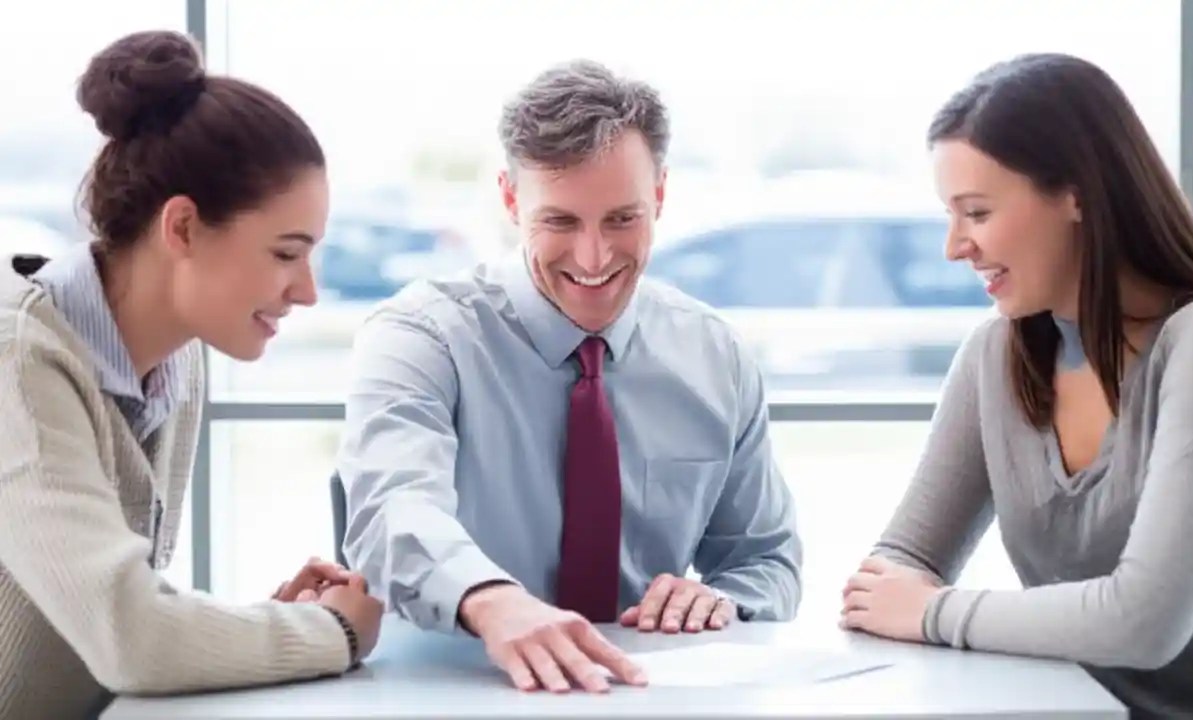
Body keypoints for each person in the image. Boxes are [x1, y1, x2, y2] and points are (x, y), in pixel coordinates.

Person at [337, 59, 802, 694]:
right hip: (456, 693)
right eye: (559, 221)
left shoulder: (714, 355)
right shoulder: (420, 336)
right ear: (509, 198)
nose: (594, 257)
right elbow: (391, 510)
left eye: (622, 219)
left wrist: (723, 602)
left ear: (660, 194)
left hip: (643, 695)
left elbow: (764, 559)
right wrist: (496, 601)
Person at [839, 53, 1193, 716]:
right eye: (950, 216)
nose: (954, 246)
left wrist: (933, 613)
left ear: (1075, 194)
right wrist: (910, 602)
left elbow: (1145, 622)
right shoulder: (996, 353)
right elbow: (896, 570)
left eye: (978, 213)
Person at [0, 30, 384, 719]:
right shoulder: (17, 361)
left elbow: (107, 624)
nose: (308, 291)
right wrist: (332, 631)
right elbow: (130, 641)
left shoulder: (174, 360)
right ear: (181, 228)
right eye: (285, 253)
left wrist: (264, 626)